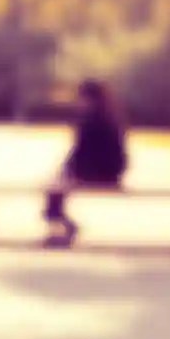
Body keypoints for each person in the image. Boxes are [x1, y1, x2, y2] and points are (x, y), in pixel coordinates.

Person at [43, 80, 129, 248]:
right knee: (55, 187)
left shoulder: (95, 121)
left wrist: (70, 173)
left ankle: (65, 227)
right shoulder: (108, 117)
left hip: (102, 173)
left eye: (82, 99)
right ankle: (63, 226)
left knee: (54, 189)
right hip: (109, 171)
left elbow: (83, 153)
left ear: (91, 100)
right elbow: (80, 153)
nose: (79, 103)